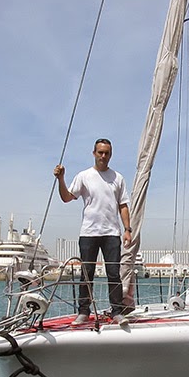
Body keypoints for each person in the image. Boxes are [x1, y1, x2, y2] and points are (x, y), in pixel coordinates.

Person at [54, 138, 132, 325]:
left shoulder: (118, 178)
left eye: (107, 153)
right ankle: (83, 312)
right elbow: (66, 197)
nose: (103, 156)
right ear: (94, 153)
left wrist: (127, 229)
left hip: (111, 232)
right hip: (89, 232)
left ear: (110, 155)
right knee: (86, 273)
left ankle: (116, 311)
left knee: (113, 273)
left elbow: (123, 206)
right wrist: (61, 179)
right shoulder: (84, 176)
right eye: (100, 152)